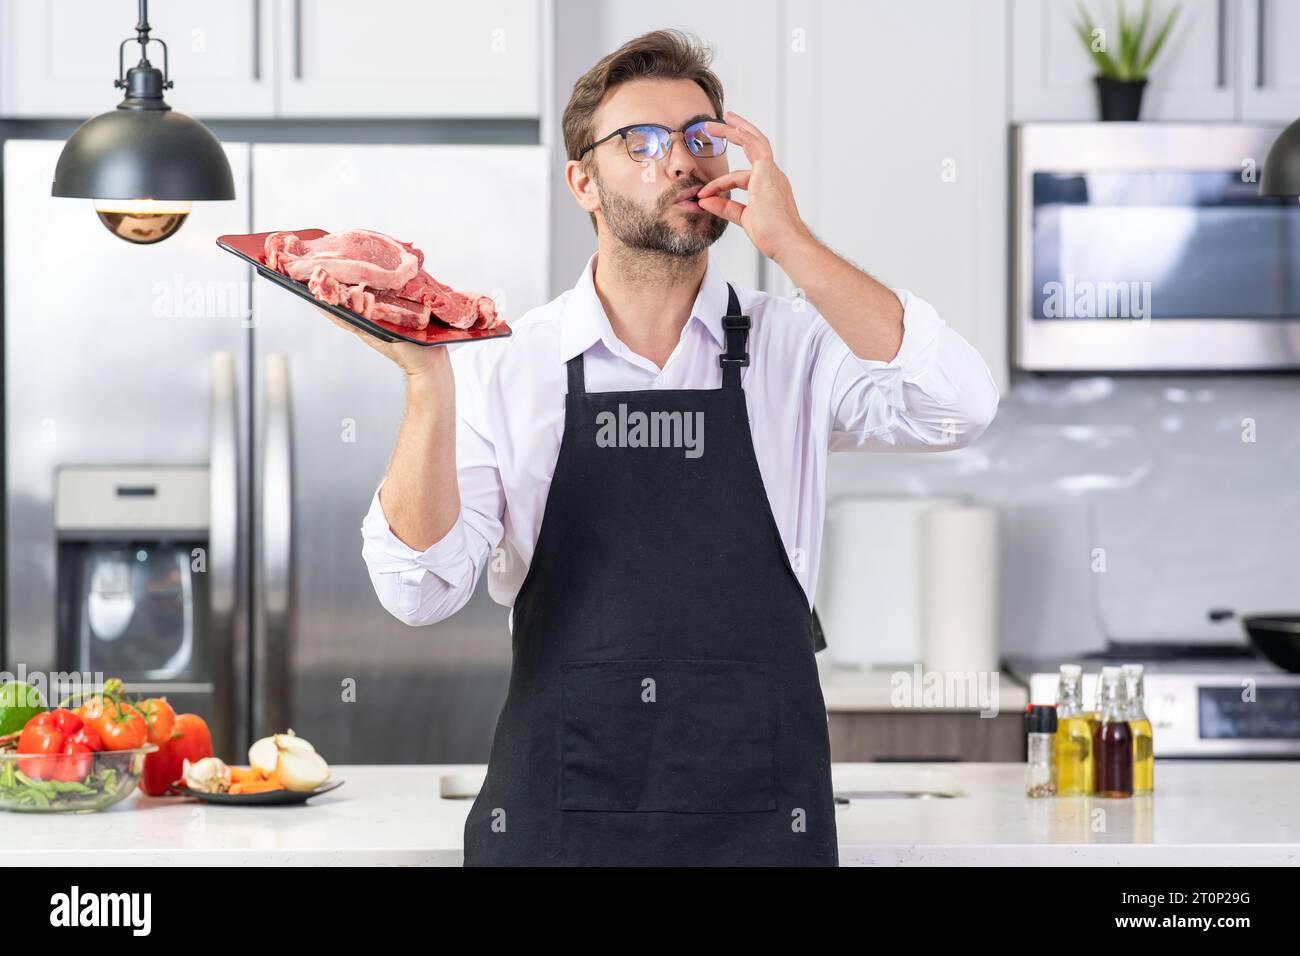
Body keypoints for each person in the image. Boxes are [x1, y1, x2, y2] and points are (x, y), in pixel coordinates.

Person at [327, 29, 1000, 866]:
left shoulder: (797, 345)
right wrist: (429, 382)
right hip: (560, 822)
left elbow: (958, 406)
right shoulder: (507, 363)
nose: (679, 160)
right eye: (641, 142)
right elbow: (418, 591)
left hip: (760, 827)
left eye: (699, 138)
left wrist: (789, 242)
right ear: (584, 181)